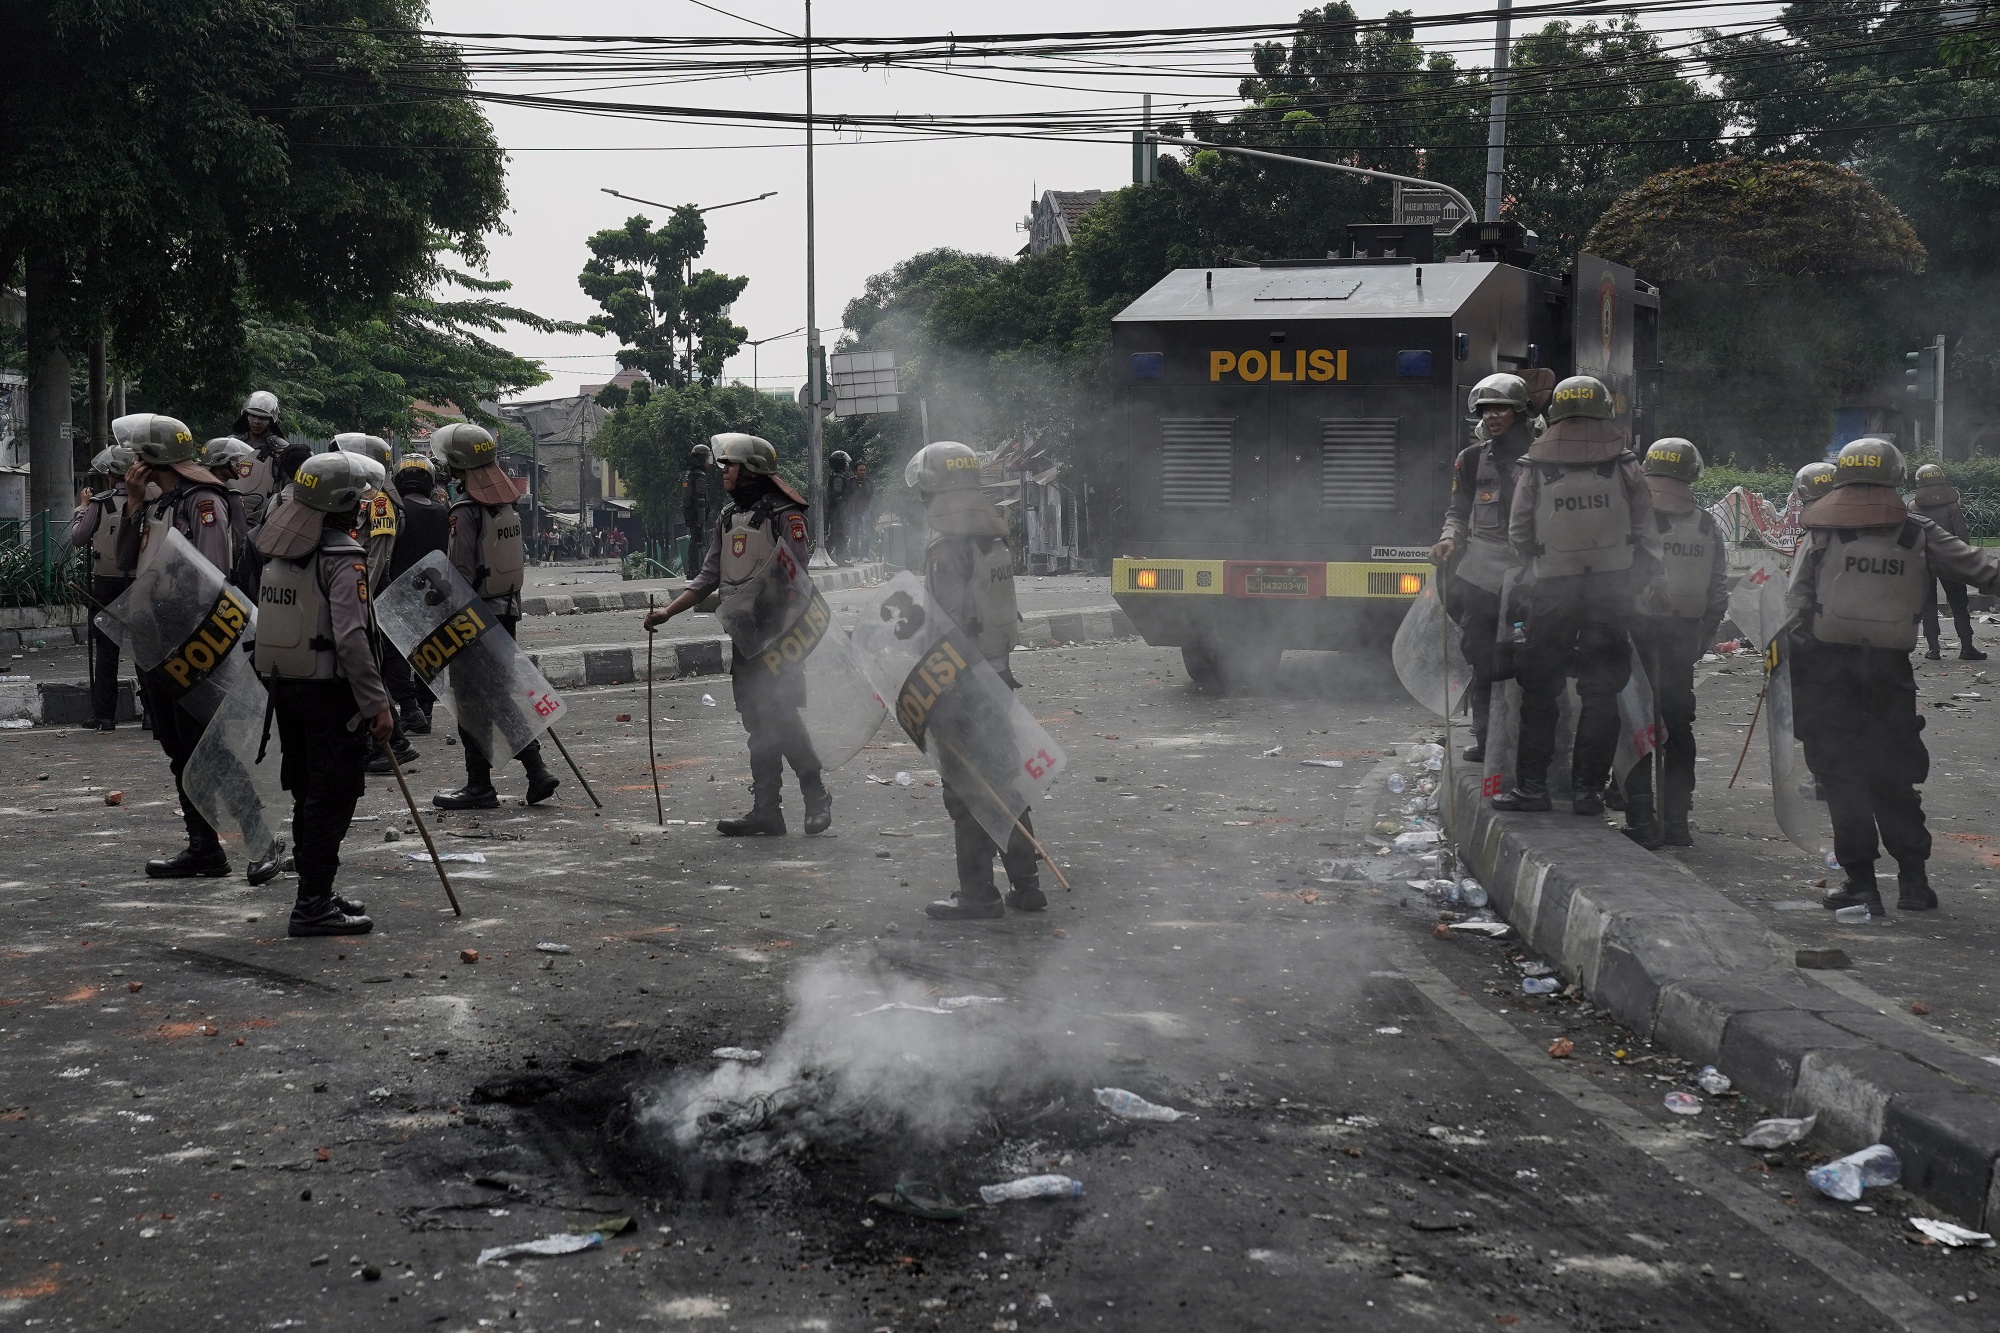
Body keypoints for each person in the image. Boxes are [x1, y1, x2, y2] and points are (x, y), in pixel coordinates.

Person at [1790, 438, 2000, 915]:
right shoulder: (1917, 530)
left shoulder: (1819, 531)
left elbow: (1794, 602)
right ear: (1896, 480)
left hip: (1828, 672)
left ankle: (1863, 886)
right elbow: (1982, 570)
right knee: (1893, 776)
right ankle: (1914, 884)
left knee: (1842, 779)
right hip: (1890, 674)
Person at [114, 415, 282, 884]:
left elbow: (211, 575)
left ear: (153, 458)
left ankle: (260, 838)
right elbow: (128, 560)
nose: (131, 462)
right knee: (179, 751)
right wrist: (131, 502)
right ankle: (204, 847)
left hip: (195, 645)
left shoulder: (202, 500)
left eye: (137, 455)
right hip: (157, 641)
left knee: (210, 747)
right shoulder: (155, 501)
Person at [644, 433, 829, 836]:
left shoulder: (786, 514)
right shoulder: (727, 517)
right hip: (744, 637)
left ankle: (815, 795)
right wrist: (669, 612)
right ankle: (767, 810)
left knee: (781, 717)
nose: (724, 471)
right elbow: (709, 575)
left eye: (731, 465)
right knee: (756, 721)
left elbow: (796, 578)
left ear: (752, 470)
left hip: (780, 636)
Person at [1492, 375, 1661, 814]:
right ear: (1604, 410)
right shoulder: (1625, 464)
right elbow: (1646, 530)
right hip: (1611, 590)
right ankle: (1588, 792)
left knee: (1540, 690)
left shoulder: (1535, 464)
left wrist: (1537, 569)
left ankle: (1533, 789)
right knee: (1602, 692)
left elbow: (1518, 532)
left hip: (1552, 589)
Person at [251, 451, 393, 937]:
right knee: (331, 798)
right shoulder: (344, 558)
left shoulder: (281, 550)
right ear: (344, 504)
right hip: (332, 697)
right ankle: (312, 905)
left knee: (308, 795)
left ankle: (315, 891)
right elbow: (352, 638)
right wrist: (377, 704)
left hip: (286, 690)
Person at [904, 442, 1043, 919]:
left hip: (962, 685)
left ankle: (979, 895)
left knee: (966, 789)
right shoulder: (991, 535)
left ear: (934, 488)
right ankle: (1027, 886)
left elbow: (948, 623)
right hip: (998, 675)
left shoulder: (949, 547)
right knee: (1004, 780)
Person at [431, 423, 559, 809]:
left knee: (470, 702)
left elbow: (461, 575)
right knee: (500, 696)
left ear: (459, 464)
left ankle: (480, 785)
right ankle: (536, 771)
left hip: (473, 618)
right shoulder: (506, 506)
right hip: (506, 614)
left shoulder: (465, 511)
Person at [1620, 439, 1727, 849]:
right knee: (1677, 727)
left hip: (1634, 634)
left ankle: (1642, 821)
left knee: (1635, 723)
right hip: (1682, 635)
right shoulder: (1706, 524)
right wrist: (1702, 637)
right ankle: (1677, 822)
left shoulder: (1632, 518)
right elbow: (1718, 592)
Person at [1430, 373, 1537, 763]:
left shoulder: (1544, 457)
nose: (1493, 416)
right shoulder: (1471, 459)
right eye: (1487, 409)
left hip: (1533, 577)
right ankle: (1486, 738)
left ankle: (1531, 744)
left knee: (1530, 659)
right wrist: (1449, 539)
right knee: (1481, 655)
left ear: (1520, 411)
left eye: (1502, 408)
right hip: (1483, 575)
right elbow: (1458, 512)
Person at [380, 455, 450, 737]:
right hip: (434, 592)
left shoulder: (396, 511)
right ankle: (426, 710)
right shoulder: (444, 512)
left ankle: (409, 707)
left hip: (398, 591)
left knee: (392, 649)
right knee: (429, 651)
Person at [70, 444, 136, 731]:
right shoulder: (152, 499)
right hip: (141, 582)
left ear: (111, 475)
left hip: (106, 584)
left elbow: (78, 538)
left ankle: (105, 716)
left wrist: (82, 508)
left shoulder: (101, 502)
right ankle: (151, 716)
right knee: (144, 648)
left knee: (107, 651)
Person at [1907, 463, 1985, 661]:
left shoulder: (1912, 507)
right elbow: (1962, 537)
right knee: (1959, 604)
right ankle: (1967, 647)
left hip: (1923, 563)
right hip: (1950, 561)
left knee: (1928, 605)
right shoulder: (1952, 506)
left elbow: (1909, 539)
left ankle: (1934, 650)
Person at [228, 391, 288, 526]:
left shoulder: (281, 450)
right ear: (246, 416)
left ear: (271, 420)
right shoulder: (230, 444)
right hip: (229, 510)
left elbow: (289, 489)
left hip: (266, 518)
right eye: (253, 416)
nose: (256, 421)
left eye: (262, 418)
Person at [681, 442, 717, 575]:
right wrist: (702, 520)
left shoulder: (689, 473)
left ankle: (693, 569)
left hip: (690, 512)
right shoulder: (699, 475)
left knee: (694, 540)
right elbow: (701, 499)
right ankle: (696, 570)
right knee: (698, 542)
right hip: (697, 514)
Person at [826, 450, 853, 564]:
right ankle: (829, 556)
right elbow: (837, 496)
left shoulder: (837, 476)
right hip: (837, 511)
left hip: (837, 511)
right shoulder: (838, 478)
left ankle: (838, 558)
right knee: (837, 534)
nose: (847, 464)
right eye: (845, 462)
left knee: (839, 534)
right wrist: (843, 511)